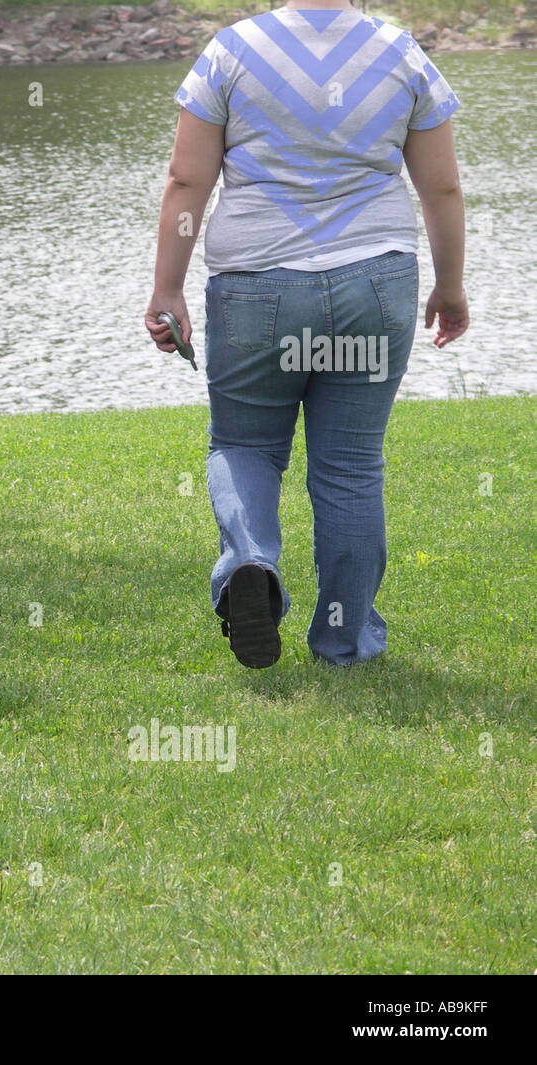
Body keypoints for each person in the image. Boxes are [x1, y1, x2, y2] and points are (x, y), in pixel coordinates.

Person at [145, 0, 468, 669]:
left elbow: (186, 181)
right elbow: (441, 189)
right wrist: (450, 284)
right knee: (350, 467)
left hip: (255, 287)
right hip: (374, 284)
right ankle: (345, 644)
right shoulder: (400, 52)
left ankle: (251, 561)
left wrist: (167, 287)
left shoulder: (230, 52)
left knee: (245, 443)